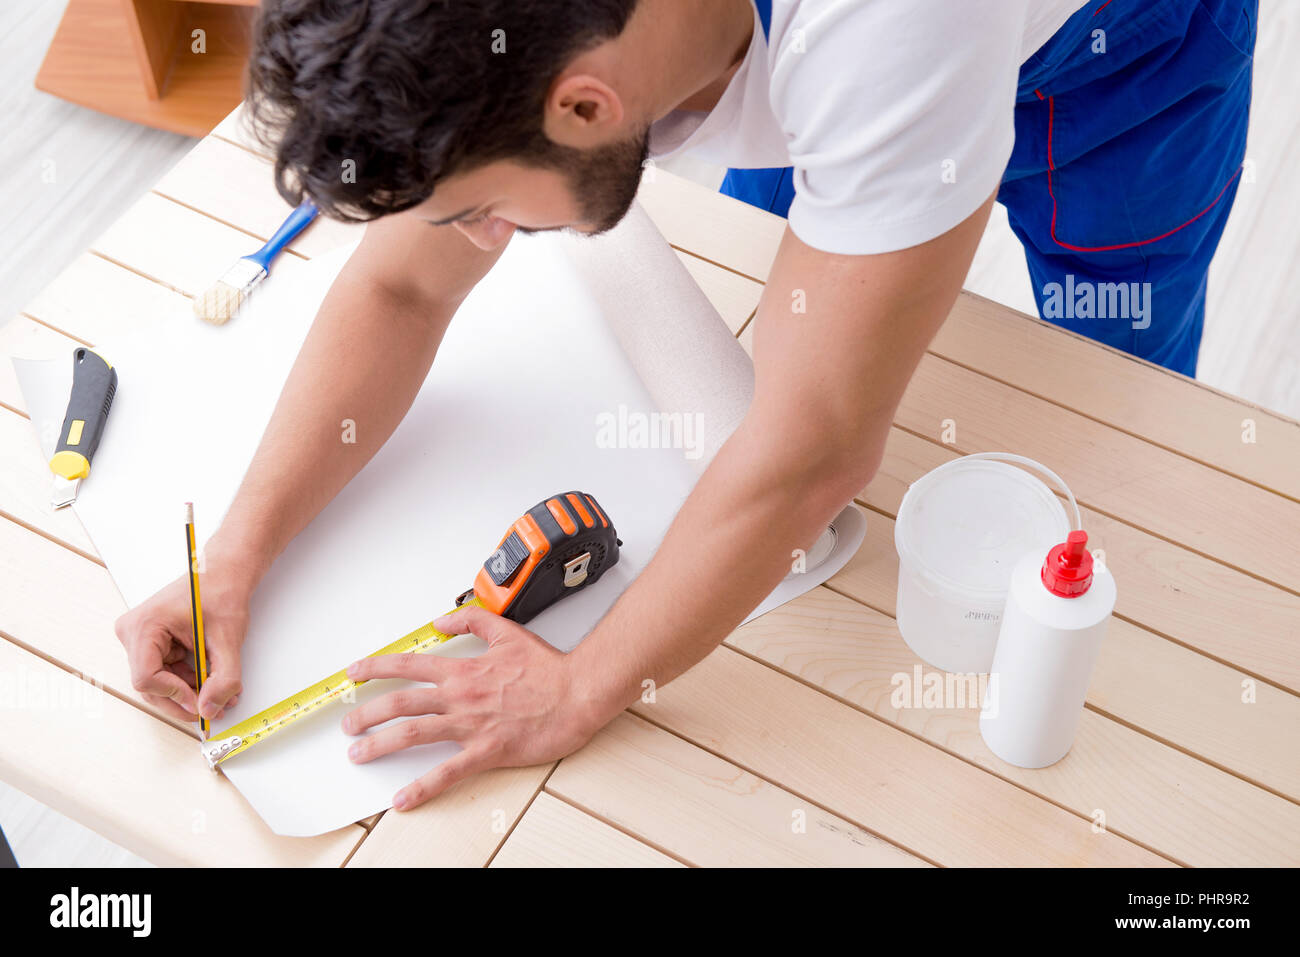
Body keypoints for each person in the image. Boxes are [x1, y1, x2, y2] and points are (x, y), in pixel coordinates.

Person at [115, 0, 1255, 812]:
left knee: (1118, 377)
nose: (474, 242)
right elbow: (407, 283)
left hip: (1120, 54)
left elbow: (812, 457)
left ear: (584, 101)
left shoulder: (880, 42)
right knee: (806, 264)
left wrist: (574, 692)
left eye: (481, 210)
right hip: (782, 51)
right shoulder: (539, 53)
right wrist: (240, 554)